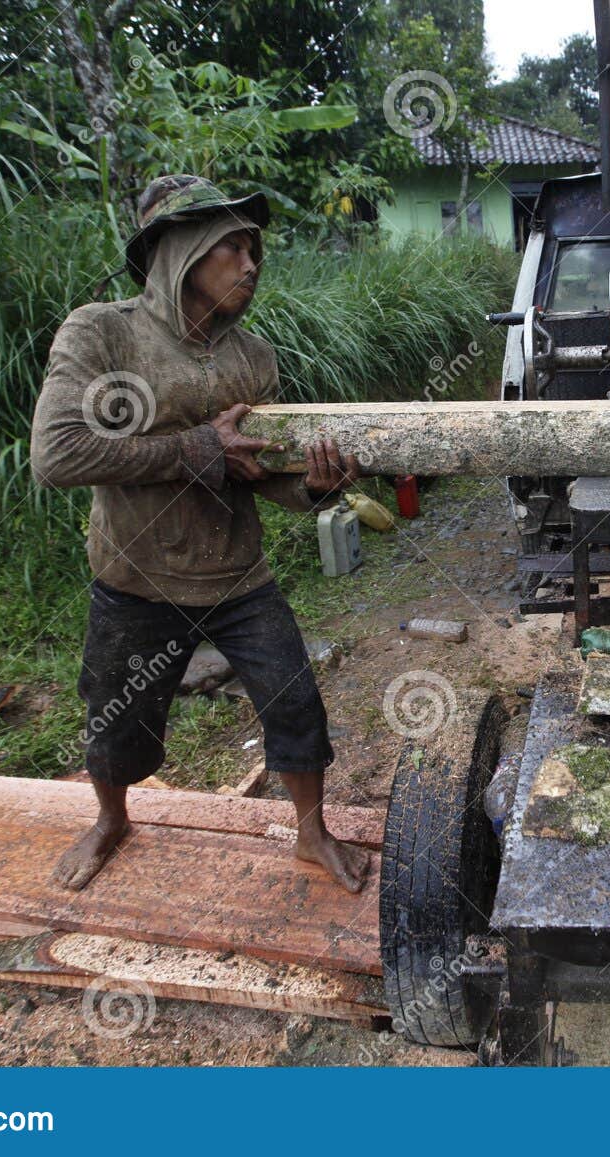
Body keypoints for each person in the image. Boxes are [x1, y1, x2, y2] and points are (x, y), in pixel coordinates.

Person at [31, 174, 372, 892]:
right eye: (231, 247)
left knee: (294, 698)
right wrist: (193, 450)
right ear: (178, 252)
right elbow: (57, 453)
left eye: (255, 249)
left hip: (237, 576)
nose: (251, 264)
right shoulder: (103, 333)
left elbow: (264, 475)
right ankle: (111, 818)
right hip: (137, 576)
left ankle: (311, 831)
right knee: (116, 719)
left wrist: (311, 485)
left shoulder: (254, 357)